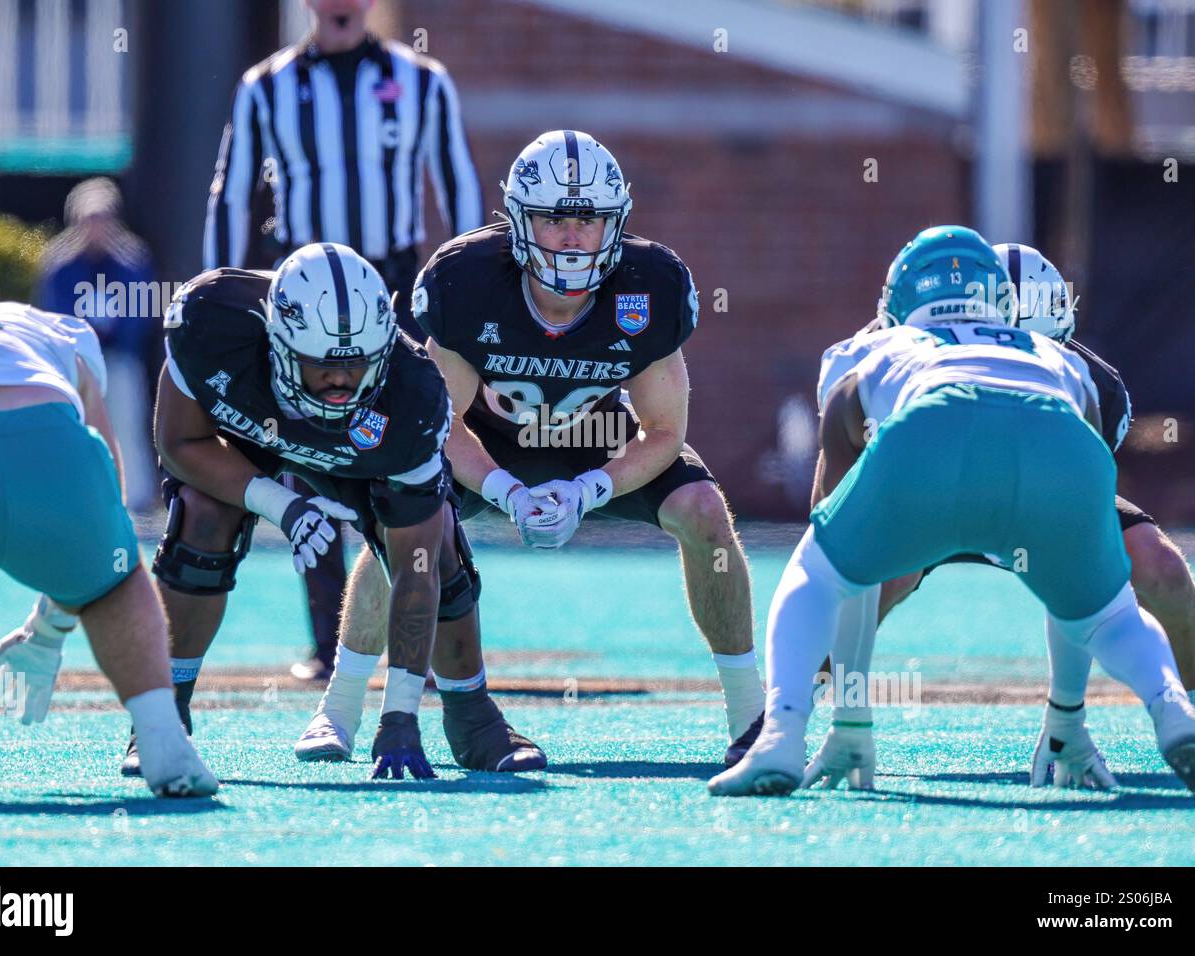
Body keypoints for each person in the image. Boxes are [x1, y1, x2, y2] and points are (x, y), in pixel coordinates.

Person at [299, 130, 764, 764]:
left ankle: (750, 717)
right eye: (554, 219)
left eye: (589, 220)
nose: (573, 237)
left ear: (616, 224)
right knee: (405, 524)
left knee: (706, 514)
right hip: (484, 443)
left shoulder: (648, 286)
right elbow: (439, 424)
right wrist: (504, 489)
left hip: (597, 443)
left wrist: (588, 488)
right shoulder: (468, 282)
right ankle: (339, 709)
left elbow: (663, 433)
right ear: (520, 220)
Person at [709, 225, 1195, 797]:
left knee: (819, 571)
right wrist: (1068, 723)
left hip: (931, 441)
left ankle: (781, 733)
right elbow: (1084, 510)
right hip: (1050, 451)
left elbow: (837, 548)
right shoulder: (1058, 357)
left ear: (897, 304)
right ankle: (1172, 707)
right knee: (1110, 615)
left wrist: (853, 724)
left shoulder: (871, 347)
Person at [120, 242, 542, 779]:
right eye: (324, 367)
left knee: (440, 558)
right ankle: (162, 719)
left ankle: (471, 717)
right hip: (252, 433)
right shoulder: (211, 319)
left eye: (358, 364)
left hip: (359, 456)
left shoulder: (412, 395)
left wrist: (400, 713)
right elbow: (179, 444)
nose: (343, 382)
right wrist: (284, 507)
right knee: (199, 517)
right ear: (277, 339)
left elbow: (413, 570)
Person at [203, 0, 484, 682]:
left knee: (416, 451)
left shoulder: (424, 79)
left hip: (392, 285)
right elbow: (231, 194)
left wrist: (470, 295)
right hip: (298, 288)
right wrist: (212, 296)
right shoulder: (264, 85)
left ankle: (433, 631)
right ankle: (330, 644)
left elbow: (458, 185)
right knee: (305, 458)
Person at [0, 231, 216, 797]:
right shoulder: (40, 325)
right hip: (44, 437)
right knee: (117, 581)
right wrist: (54, 623)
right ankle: (162, 740)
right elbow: (108, 486)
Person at [38, 177, 160, 510]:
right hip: (76, 362)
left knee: (128, 427)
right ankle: (73, 500)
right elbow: (53, 314)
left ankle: (135, 503)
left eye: (103, 219)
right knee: (74, 428)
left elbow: (142, 312)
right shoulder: (61, 262)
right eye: (89, 219)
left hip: (119, 360)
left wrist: (117, 341)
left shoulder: (132, 259)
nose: (96, 228)